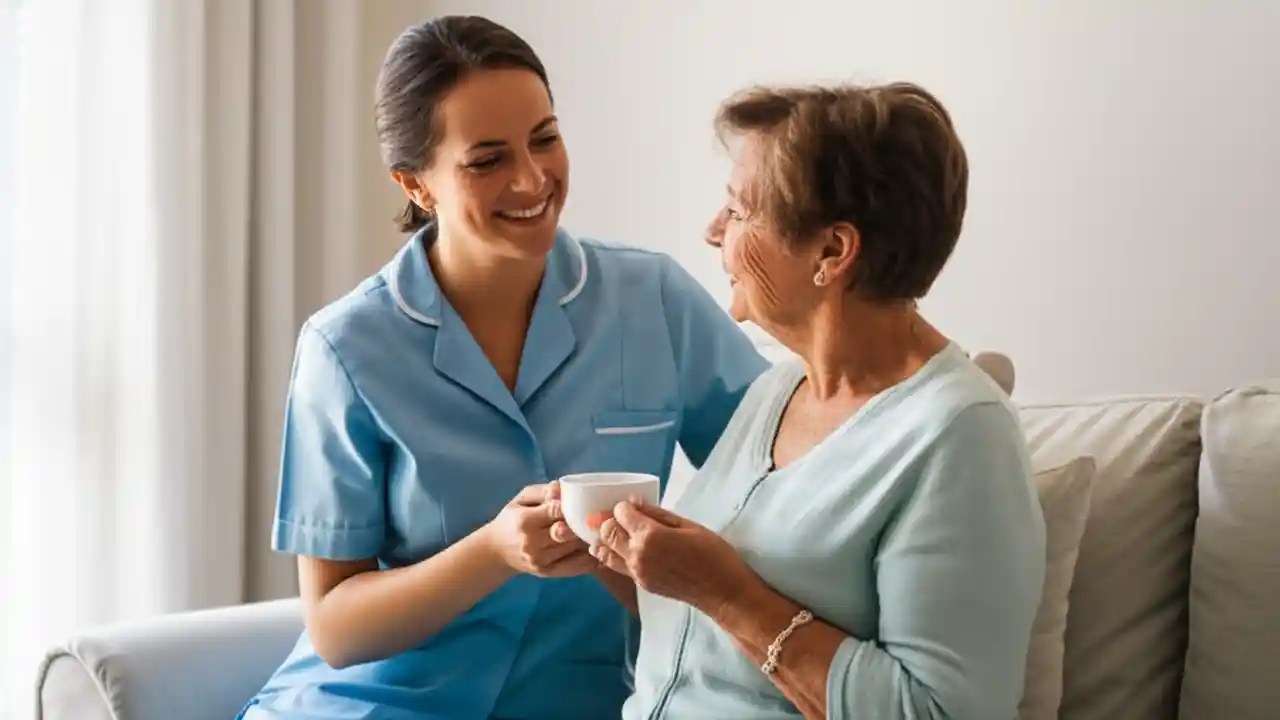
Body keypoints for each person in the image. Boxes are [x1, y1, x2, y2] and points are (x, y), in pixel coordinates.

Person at [237, 15, 767, 720]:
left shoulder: (653, 302)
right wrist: (491, 553)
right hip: (372, 706)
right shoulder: (347, 347)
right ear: (416, 185)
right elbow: (334, 627)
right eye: (486, 160)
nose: (531, 178)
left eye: (544, 138)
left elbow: (784, 467)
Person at [582, 83, 1047, 719]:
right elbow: (711, 646)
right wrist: (620, 558)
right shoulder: (776, 390)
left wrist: (725, 592)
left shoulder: (963, 435)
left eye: (740, 211)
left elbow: (943, 713)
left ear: (832, 251)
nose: (713, 231)